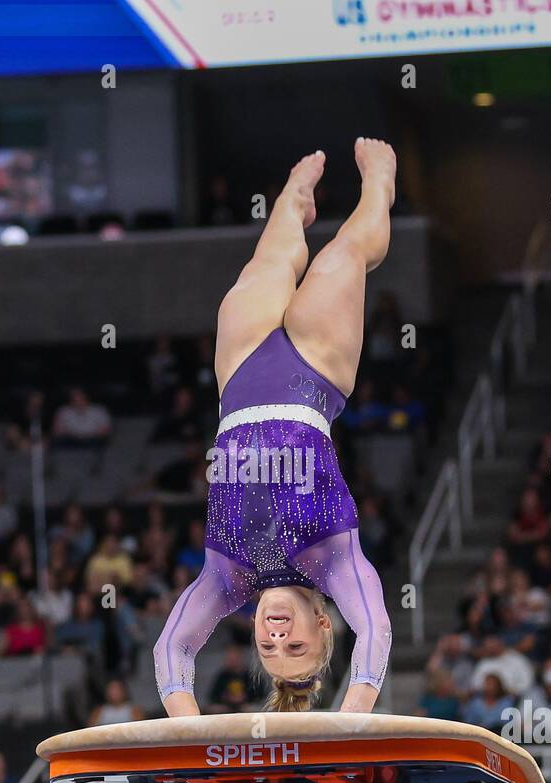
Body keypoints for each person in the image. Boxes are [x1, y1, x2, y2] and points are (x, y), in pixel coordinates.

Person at [153, 141, 397, 716]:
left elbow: (172, 650)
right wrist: (350, 717)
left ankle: (293, 202)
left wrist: (194, 736)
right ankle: (380, 185)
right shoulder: (336, 563)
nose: (276, 633)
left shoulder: (227, 575)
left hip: (239, 379)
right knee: (342, 256)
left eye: (268, 646)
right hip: (314, 374)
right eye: (296, 644)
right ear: (321, 622)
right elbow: (378, 632)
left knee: (265, 265)